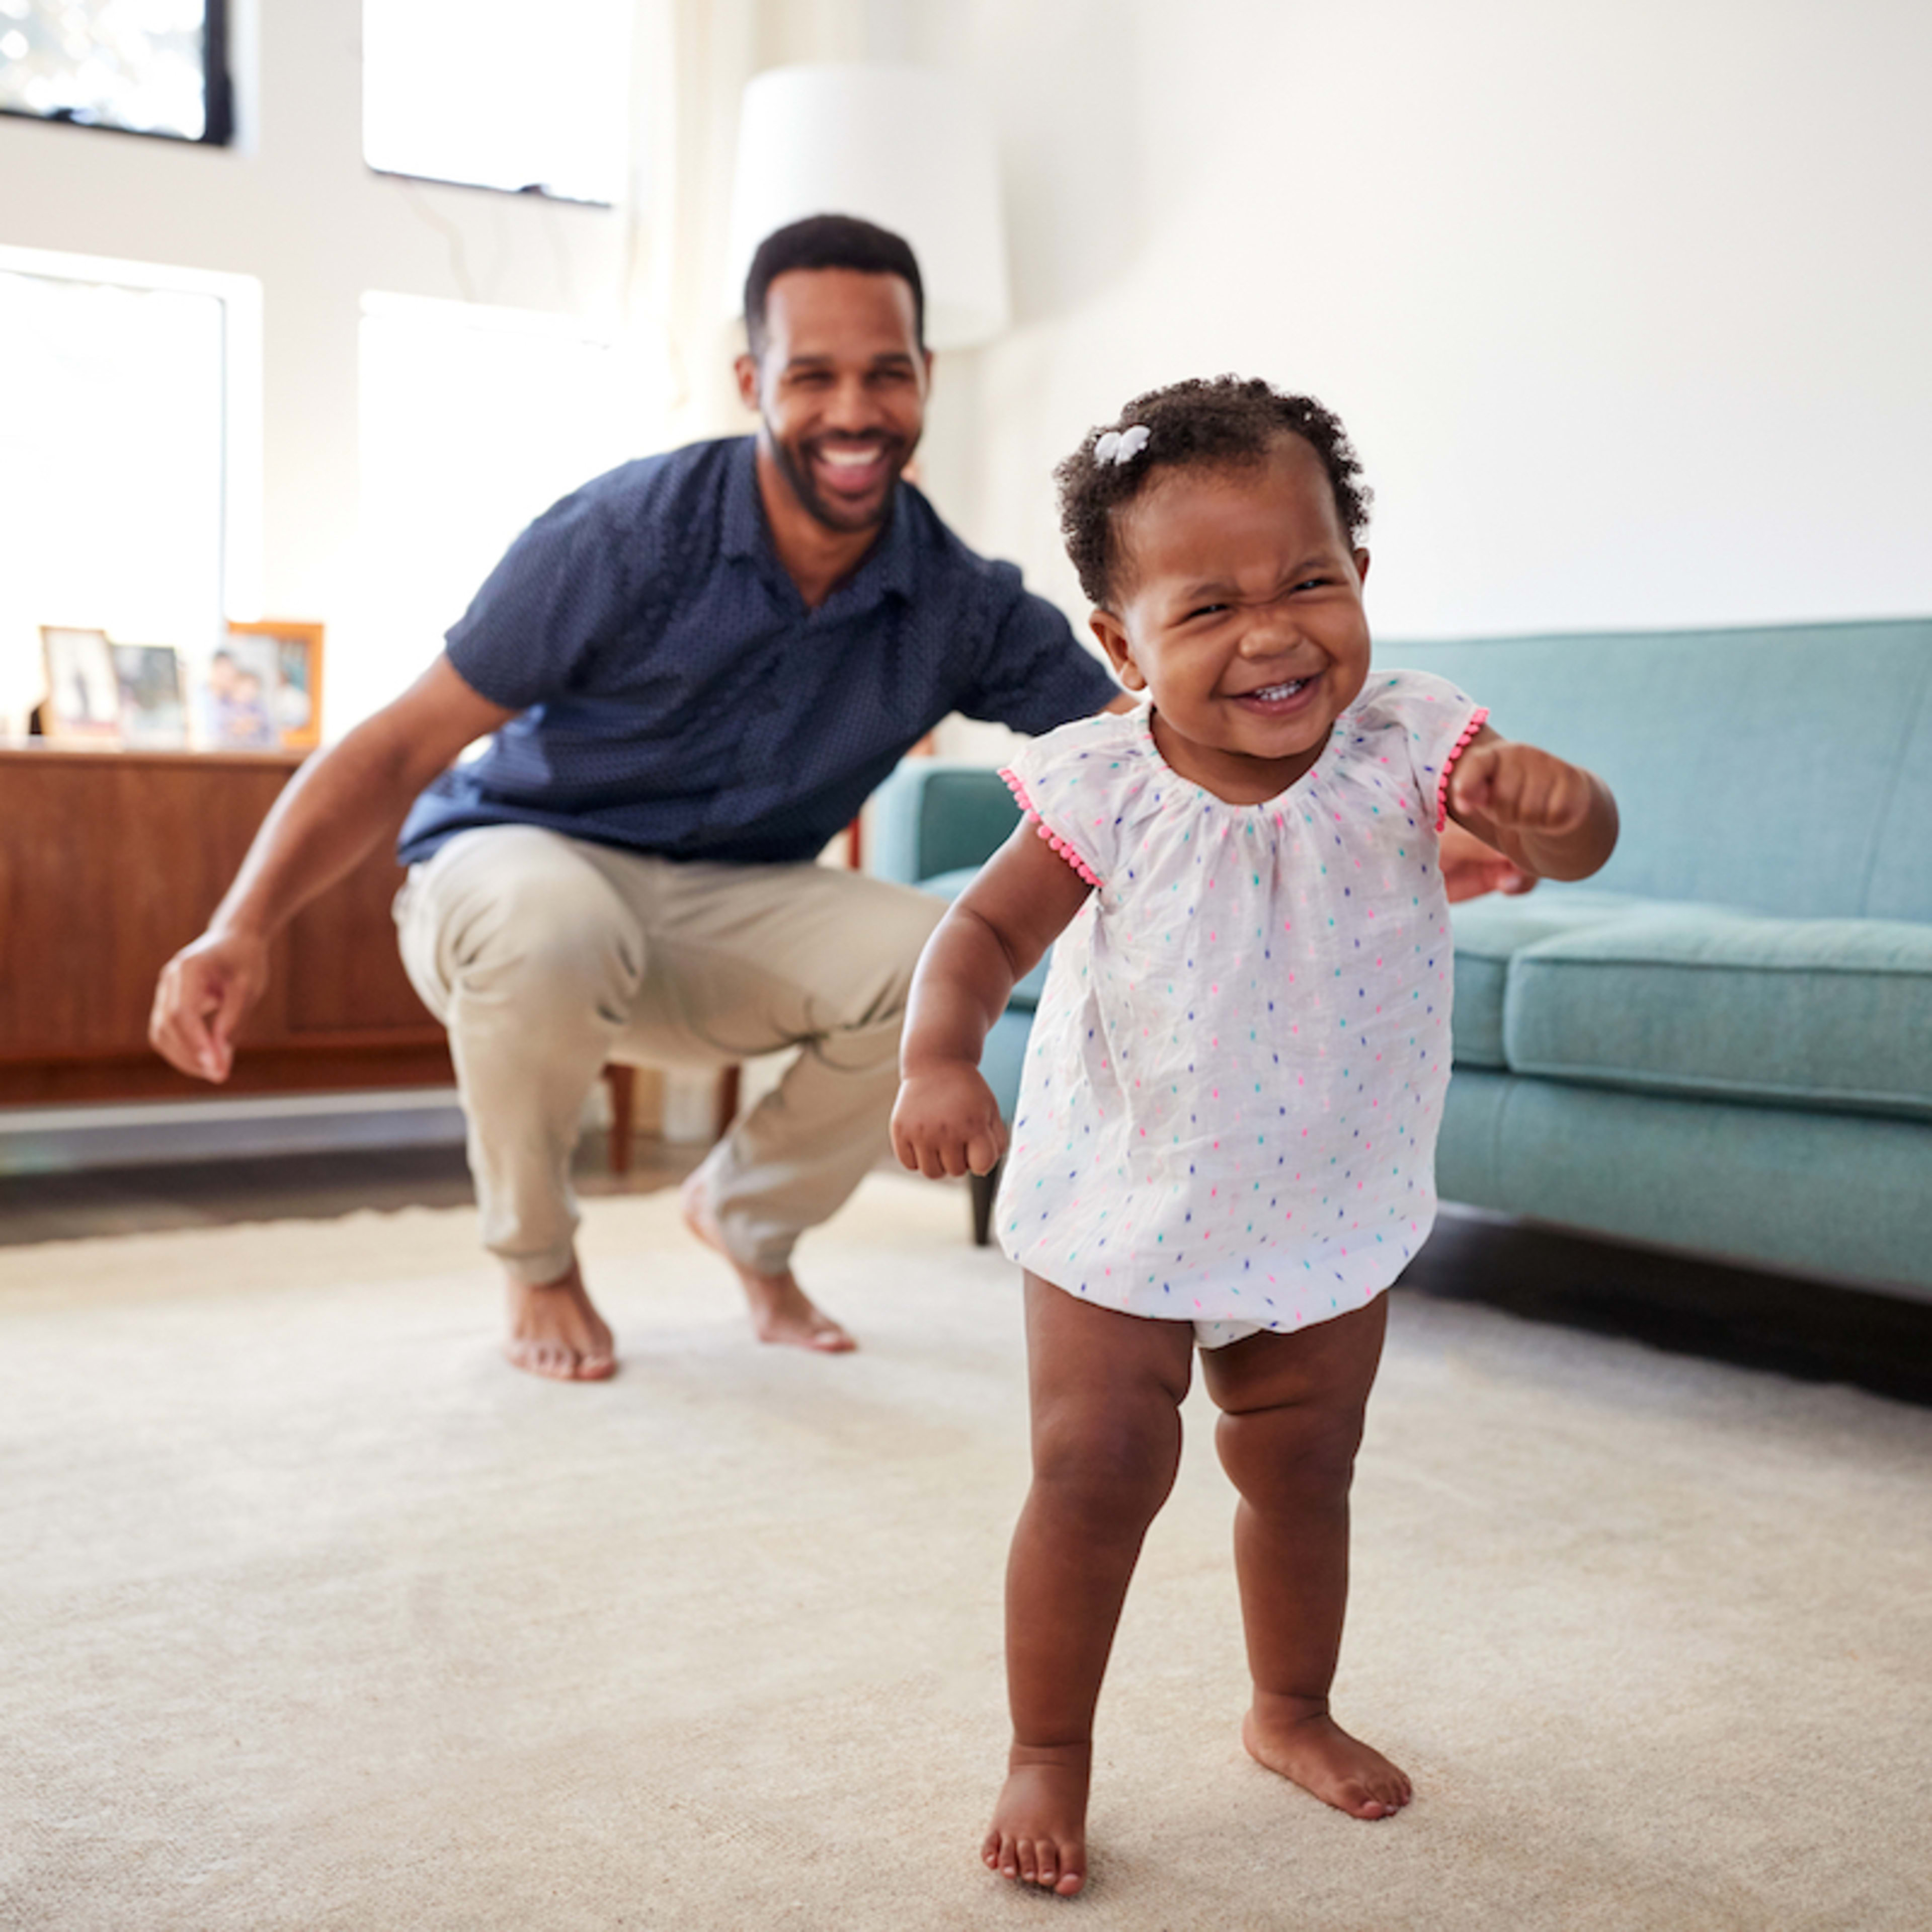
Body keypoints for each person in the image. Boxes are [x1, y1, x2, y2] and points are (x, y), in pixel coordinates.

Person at [149, 214, 1124, 1381]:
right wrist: (241, 924)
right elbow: (402, 742)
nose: (855, 411)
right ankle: (538, 1261)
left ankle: (747, 1218)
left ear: (925, 380)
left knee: (936, 955)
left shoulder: (957, 599)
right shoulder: (622, 537)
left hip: (734, 910)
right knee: (554, 923)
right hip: (518, 870)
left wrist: (1326, 744)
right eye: (814, 375)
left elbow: (1131, 744)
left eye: (887, 373)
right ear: (753, 380)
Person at [891, 376, 1618, 1897]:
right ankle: (1051, 1748)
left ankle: (1291, 1707)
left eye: (1311, 582)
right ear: (1120, 643)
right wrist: (943, 1062)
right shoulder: (1104, 783)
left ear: (1361, 575)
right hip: (1127, 1184)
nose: (1274, 634)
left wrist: (1555, 811)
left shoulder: (1415, 741)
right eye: (1208, 606)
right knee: (1095, 1465)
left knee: (1304, 1465)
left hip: (1329, 1189)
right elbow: (975, 934)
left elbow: (1571, 841)